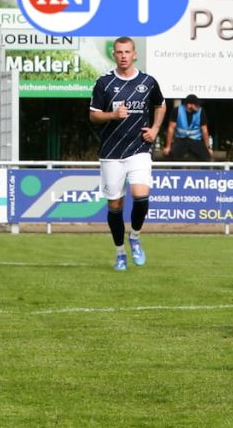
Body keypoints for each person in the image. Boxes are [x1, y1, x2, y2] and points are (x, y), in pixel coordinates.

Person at [88, 37, 166, 271]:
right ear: (114, 55)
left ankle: (135, 236)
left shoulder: (148, 82)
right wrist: (112, 115)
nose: (123, 56)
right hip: (111, 153)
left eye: (127, 52)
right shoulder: (104, 83)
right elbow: (93, 115)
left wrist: (154, 129)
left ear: (135, 54)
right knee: (115, 206)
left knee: (141, 196)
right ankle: (120, 252)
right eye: (119, 52)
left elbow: (160, 105)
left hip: (139, 150)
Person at [163, 94, 211, 160]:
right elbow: (171, 129)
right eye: (196, 104)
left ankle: (205, 170)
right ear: (189, 105)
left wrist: (208, 148)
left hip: (196, 141)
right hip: (180, 140)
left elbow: (204, 130)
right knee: (173, 155)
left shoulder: (201, 111)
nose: (198, 106)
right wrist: (168, 147)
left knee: (206, 156)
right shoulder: (177, 110)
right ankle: (175, 170)